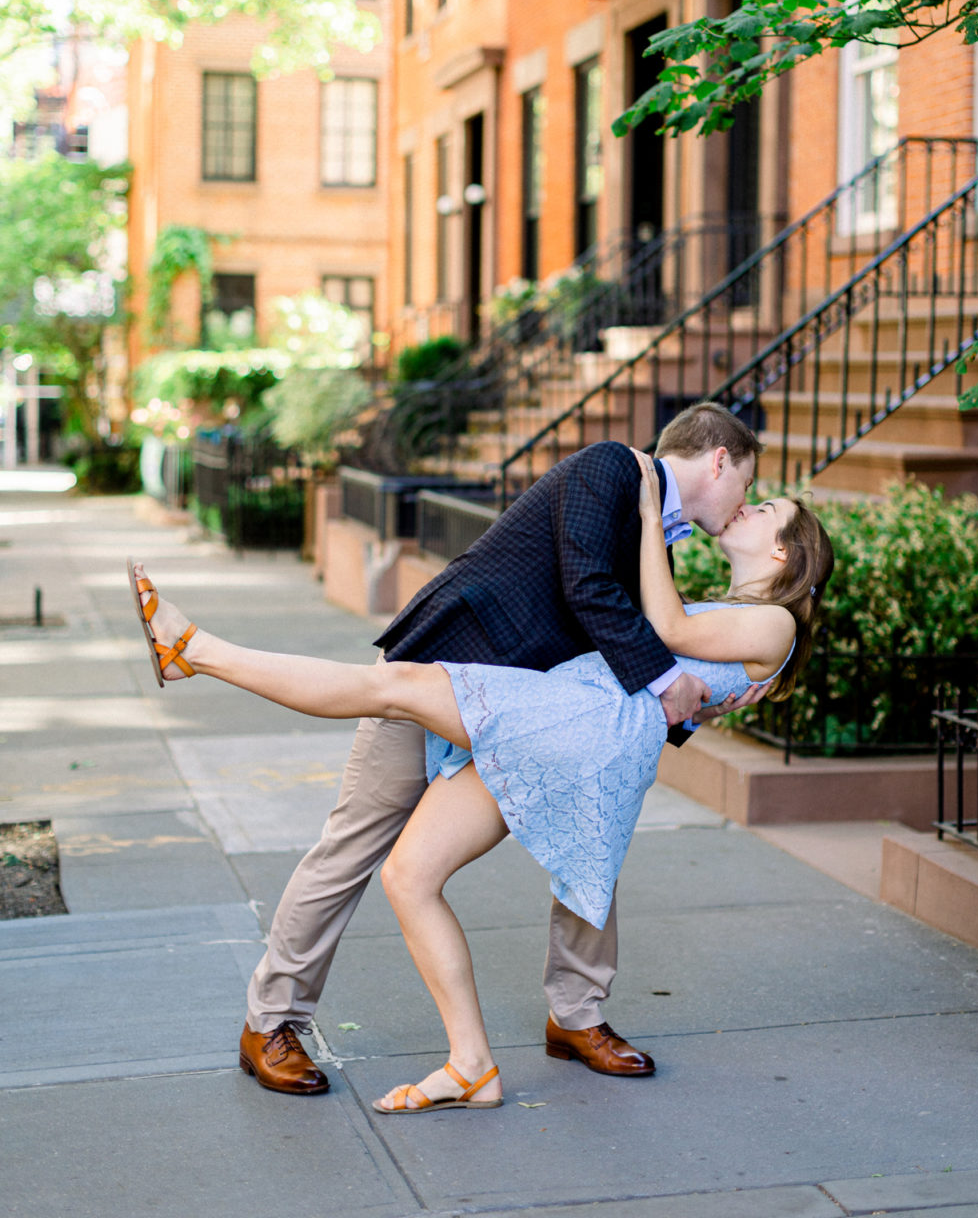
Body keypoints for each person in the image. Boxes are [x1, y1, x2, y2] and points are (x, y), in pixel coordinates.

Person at [128, 445, 833, 1113]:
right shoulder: (614, 473)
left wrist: (686, 692)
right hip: (471, 668)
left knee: (581, 854)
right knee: (366, 848)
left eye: (763, 505)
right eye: (750, 486)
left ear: (782, 553)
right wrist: (679, 681)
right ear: (720, 461)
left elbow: (652, 644)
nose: (748, 501)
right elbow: (610, 607)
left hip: (541, 711)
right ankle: (274, 1021)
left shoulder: (726, 592)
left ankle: (565, 1020)